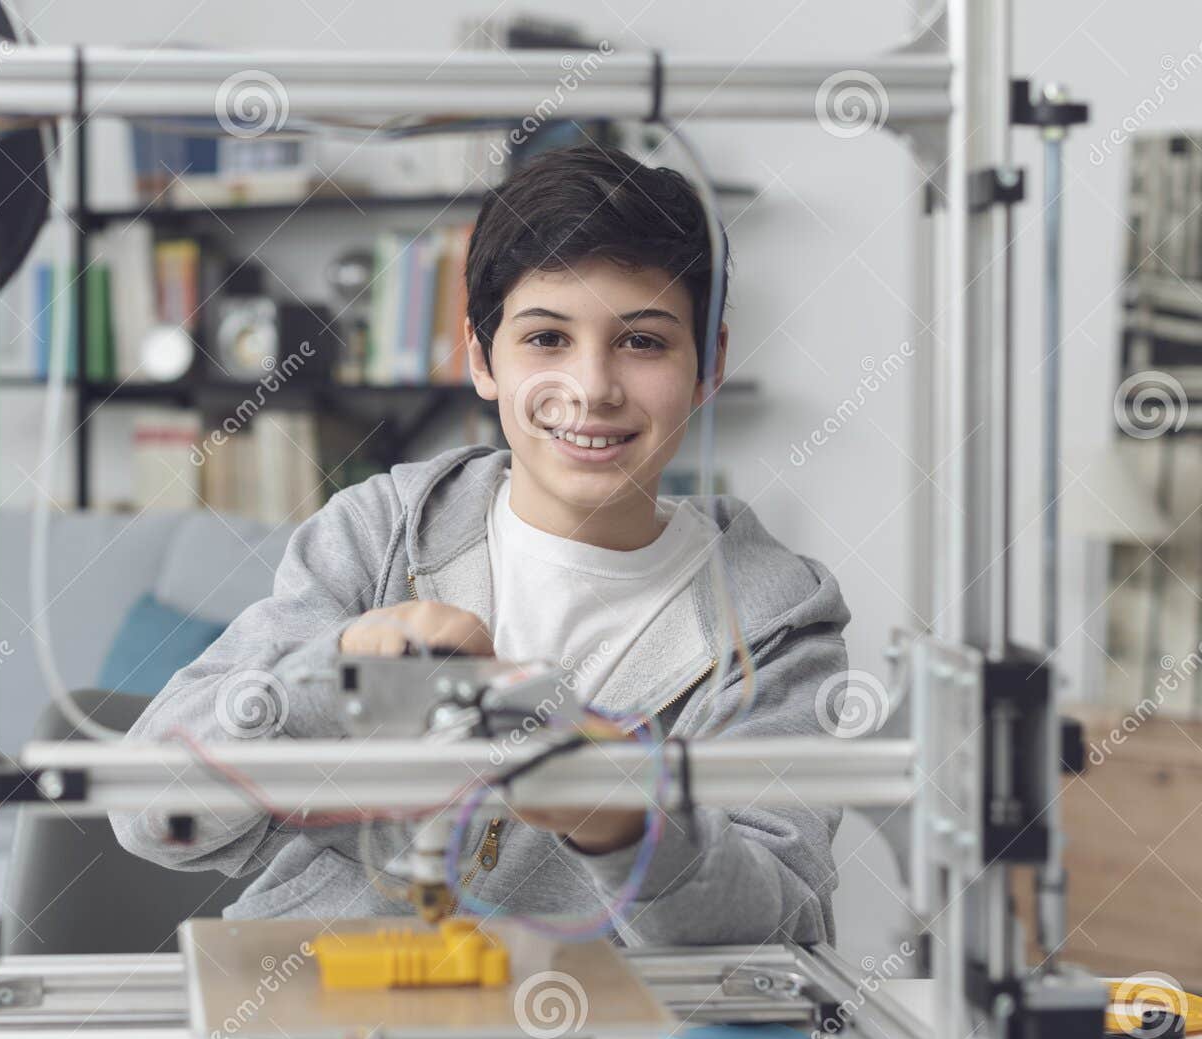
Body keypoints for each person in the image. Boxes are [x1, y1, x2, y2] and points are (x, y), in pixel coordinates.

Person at [112, 143, 851, 947]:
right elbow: (153, 815)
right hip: (322, 1030)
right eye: (546, 339)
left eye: (642, 342)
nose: (591, 388)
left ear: (708, 365)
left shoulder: (774, 622)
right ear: (480, 358)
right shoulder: (378, 534)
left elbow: (780, 929)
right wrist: (341, 670)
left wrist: (625, 822)